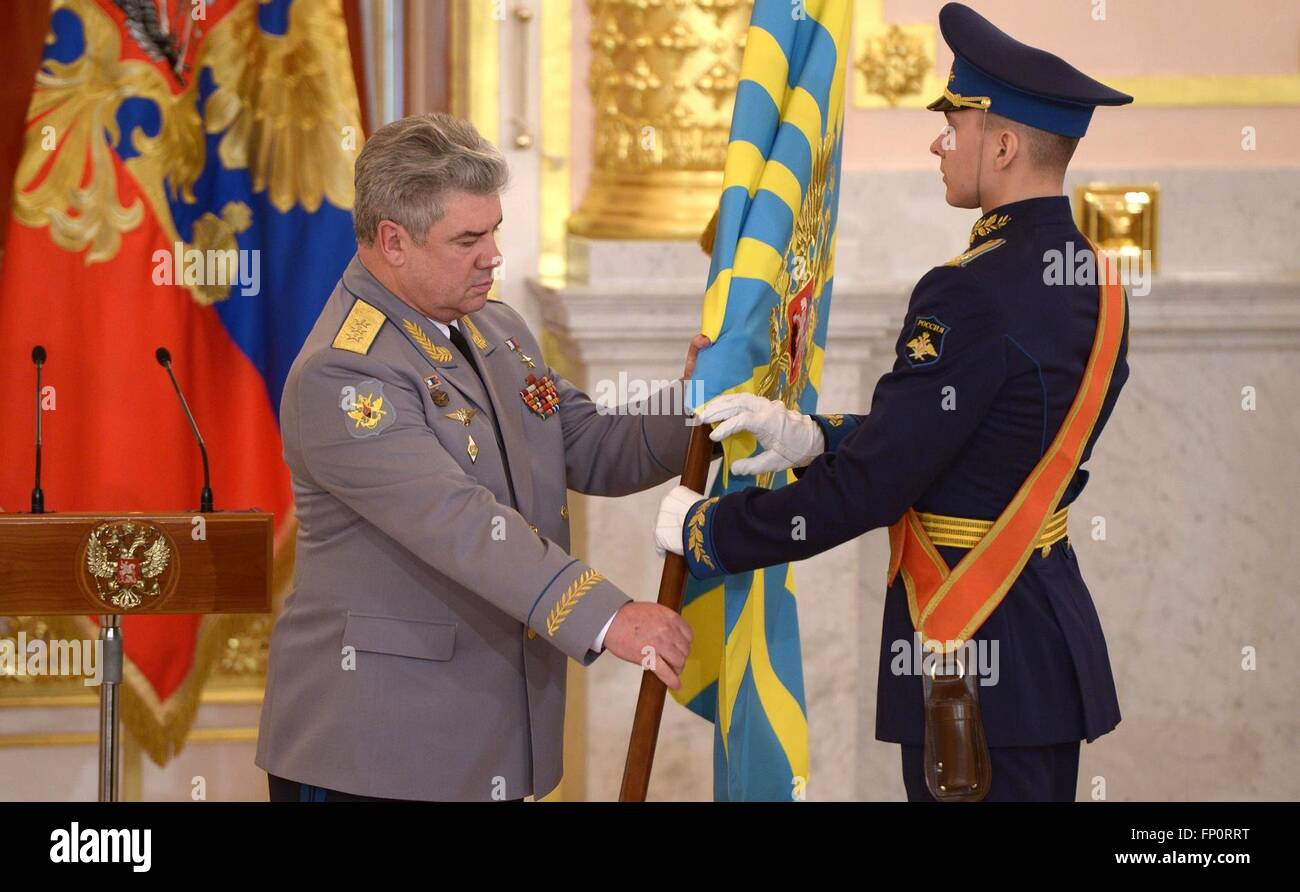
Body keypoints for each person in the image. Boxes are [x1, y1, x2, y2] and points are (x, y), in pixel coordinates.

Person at [655, 2, 1133, 801]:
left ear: (1004, 146)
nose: (939, 145)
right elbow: (972, 435)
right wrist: (814, 436)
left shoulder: (969, 291)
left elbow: (878, 486)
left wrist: (712, 530)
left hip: (968, 650)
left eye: (954, 126)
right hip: (1044, 643)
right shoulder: (1099, 281)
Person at [257, 113, 702, 802]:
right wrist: (608, 616)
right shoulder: (345, 373)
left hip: (480, 746)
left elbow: (587, 445)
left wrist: (696, 401)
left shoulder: (494, 328)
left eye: (493, 230)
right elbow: (459, 522)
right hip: (377, 759)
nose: (493, 255)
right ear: (393, 241)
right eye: (468, 239)